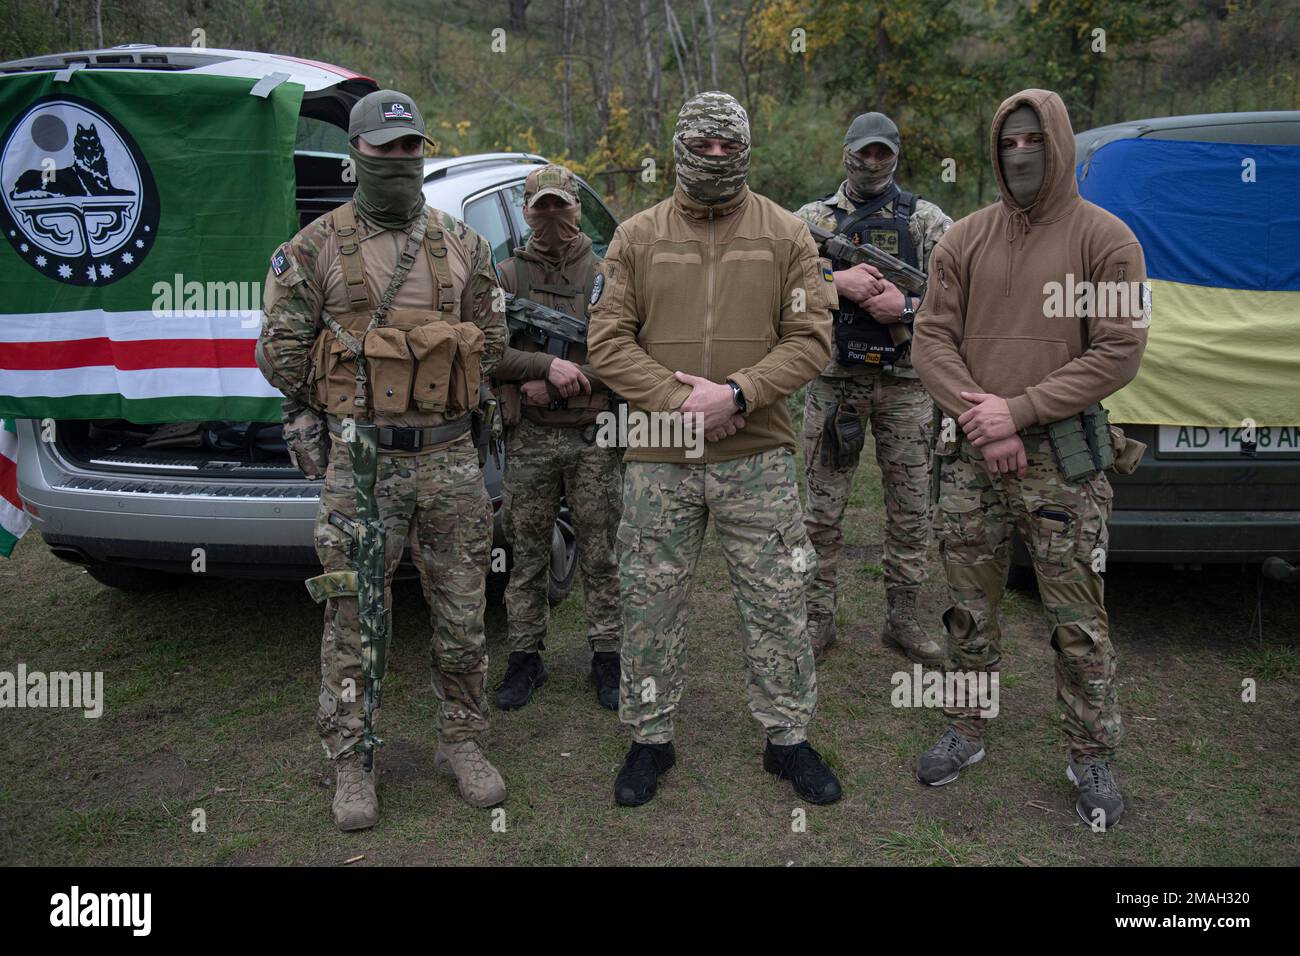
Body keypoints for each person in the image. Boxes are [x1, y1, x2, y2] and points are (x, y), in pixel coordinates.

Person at [256, 89, 508, 830]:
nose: (402, 161)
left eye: (412, 149)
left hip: (452, 455)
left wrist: (431, 363)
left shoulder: (464, 245)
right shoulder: (311, 249)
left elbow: (490, 339)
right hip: (361, 462)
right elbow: (280, 353)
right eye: (386, 149)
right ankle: (352, 760)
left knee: (463, 615)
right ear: (356, 156)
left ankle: (462, 742)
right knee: (354, 617)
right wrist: (356, 384)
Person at [587, 91, 842, 808]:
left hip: (756, 455)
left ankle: (786, 737)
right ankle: (649, 737)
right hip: (658, 459)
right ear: (679, 147)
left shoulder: (788, 235)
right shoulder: (636, 237)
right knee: (649, 603)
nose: (717, 158)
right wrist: (681, 402)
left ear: (747, 149)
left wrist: (734, 394)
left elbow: (812, 340)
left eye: (731, 147)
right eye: (704, 145)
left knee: (777, 600)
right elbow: (607, 341)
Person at [910, 89, 1149, 827]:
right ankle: (967, 727)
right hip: (975, 456)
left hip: (1064, 465)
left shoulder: (1108, 240)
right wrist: (985, 418)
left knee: (1077, 621)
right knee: (967, 610)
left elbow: (1119, 350)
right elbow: (930, 338)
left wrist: (1019, 410)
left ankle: (1090, 753)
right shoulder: (967, 239)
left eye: (1033, 141)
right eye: (1008, 142)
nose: (1020, 154)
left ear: (1060, 144)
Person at [794, 112, 953, 663]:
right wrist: (840, 281)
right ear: (846, 153)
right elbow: (776, 283)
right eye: (863, 152)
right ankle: (816, 619)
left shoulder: (928, 222)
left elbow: (963, 297)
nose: (871, 162)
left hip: (907, 387)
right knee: (820, 511)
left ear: (896, 156)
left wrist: (905, 306)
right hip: (835, 384)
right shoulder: (812, 219)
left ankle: (903, 620)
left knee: (912, 511)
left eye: (882, 153)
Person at [492, 164, 623, 712]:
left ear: (577, 209)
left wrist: (570, 382)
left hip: (595, 434)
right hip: (531, 441)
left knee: (601, 553)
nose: (550, 216)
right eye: (539, 206)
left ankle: (608, 657)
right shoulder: (505, 278)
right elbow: (484, 350)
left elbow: (631, 356)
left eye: (559, 206)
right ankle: (525, 658)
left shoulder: (607, 275)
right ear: (526, 211)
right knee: (526, 557)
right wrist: (546, 365)